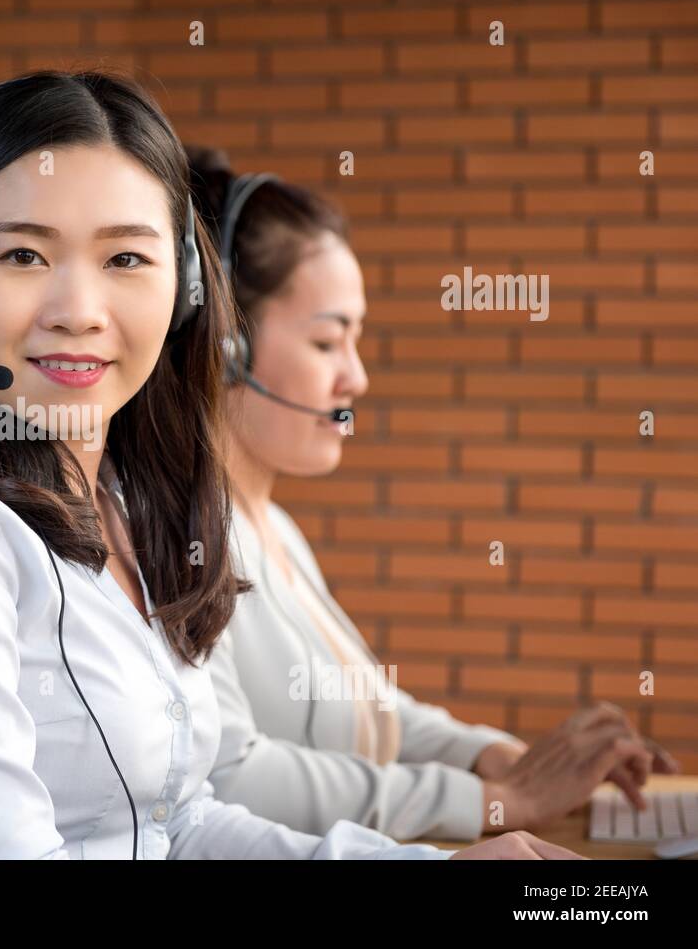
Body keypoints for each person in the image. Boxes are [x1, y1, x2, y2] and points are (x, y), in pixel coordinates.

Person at [0, 70, 581, 860]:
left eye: (126, 260)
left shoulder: (132, 507)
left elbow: (185, 825)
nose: (78, 308)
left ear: (185, 292)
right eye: (25, 254)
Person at [186, 145, 678, 843]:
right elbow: (228, 774)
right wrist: (491, 799)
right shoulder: (187, 535)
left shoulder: (275, 529)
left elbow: (369, 709)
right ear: (225, 345)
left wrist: (501, 759)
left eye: (357, 339)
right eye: (329, 342)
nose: (355, 377)